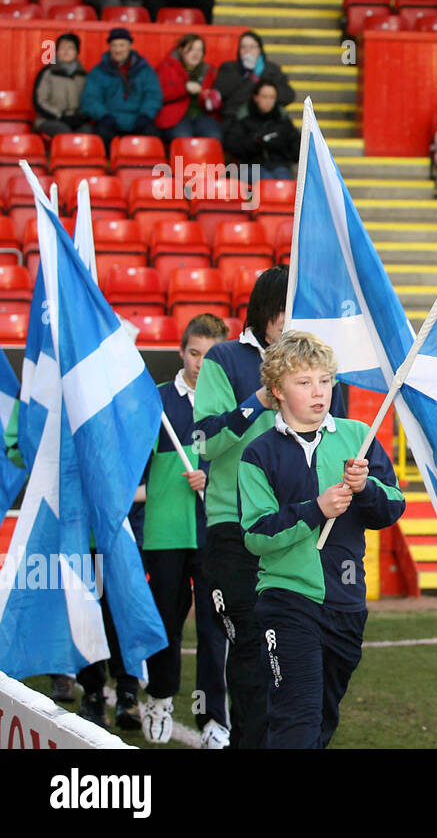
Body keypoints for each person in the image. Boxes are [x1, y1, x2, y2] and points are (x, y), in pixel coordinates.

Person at [194, 265, 348, 748]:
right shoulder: (224, 359)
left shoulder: (321, 368)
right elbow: (203, 442)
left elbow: (339, 438)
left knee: (317, 654)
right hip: (238, 528)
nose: (297, 320)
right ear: (266, 311)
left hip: (306, 528)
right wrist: (257, 401)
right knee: (251, 646)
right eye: (289, 310)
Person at [240, 331, 404, 749]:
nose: (319, 392)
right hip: (287, 600)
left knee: (321, 723)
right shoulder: (258, 453)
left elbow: (392, 507)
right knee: (295, 720)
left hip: (347, 603)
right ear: (278, 390)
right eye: (304, 382)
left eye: (325, 381)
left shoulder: (358, 436)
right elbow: (256, 534)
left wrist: (365, 489)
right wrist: (315, 509)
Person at [137, 314, 231, 749]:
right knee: (166, 623)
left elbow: (243, 466)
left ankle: (212, 717)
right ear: (181, 352)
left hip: (214, 532)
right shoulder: (154, 401)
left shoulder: (229, 405)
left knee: (214, 629)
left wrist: (212, 478)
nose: (199, 363)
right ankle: (159, 699)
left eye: (209, 356)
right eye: (194, 353)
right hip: (165, 531)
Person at [81, 27, 163, 152]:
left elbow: (154, 96)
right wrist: (104, 116)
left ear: (130, 46)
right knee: (99, 141)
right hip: (109, 119)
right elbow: (90, 98)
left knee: (153, 141)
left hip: (138, 119)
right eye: (114, 45)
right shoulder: (98, 71)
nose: (118, 50)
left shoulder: (145, 70)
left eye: (122, 45)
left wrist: (145, 115)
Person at [223, 80, 301, 181]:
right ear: (255, 97)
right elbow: (232, 144)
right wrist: (255, 142)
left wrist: (280, 146)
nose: (268, 101)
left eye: (272, 97)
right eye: (264, 97)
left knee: (283, 179)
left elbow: (296, 146)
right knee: (266, 179)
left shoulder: (282, 118)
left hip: (279, 166)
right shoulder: (243, 117)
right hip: (250, 166)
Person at [155, 33, 223, 145]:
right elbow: (160, 94)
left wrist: (211, 99)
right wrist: (184, 88)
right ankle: (180, 158)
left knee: (214, 136)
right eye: (191, 49)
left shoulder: (208, 70)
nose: (196, 54)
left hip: (201, 116)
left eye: (199, 50)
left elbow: (214, 100)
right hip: (175, 116)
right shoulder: (167, 67)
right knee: (183, 138)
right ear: (181, 50)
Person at [214, 30, 296, 122]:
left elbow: (288, 96)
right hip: (237, 121)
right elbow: (228, 101)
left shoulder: (271, 69)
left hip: (267, 120)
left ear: (259, 50)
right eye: (243, 47)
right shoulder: (229, 68)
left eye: (252, 47)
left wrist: (265, 95)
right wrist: (252, 78)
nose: (247, 51)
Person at [33, 33, 91, 138]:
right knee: (64, 132)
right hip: (49, 119)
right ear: (57, 51)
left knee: (87, 131)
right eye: (62, 48)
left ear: (77, 52)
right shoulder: (48, 72)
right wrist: (59, 115)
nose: (66, 51)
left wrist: (80, 116)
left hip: (74, 119)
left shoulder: (83, 75)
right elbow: (39, 101)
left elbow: (88, 100)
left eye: (70, 48)